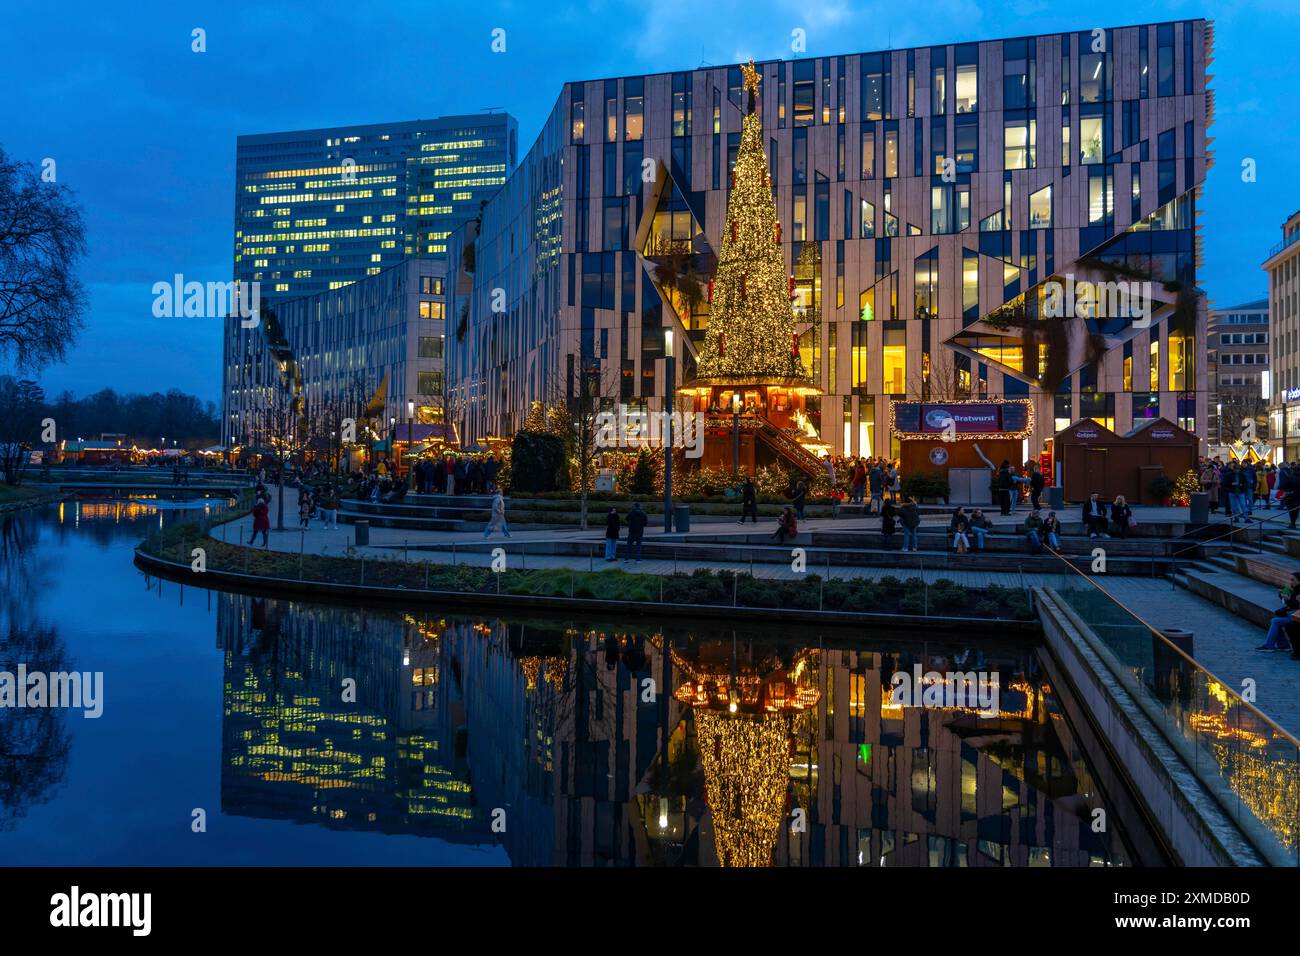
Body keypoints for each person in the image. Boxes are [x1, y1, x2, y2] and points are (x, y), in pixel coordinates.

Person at [1256, 571, 1300, 651]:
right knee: (1276, 620)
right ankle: (1283, 645)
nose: (1291, 582)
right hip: (1293, 615)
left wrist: (1288, 599)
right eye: (1290, 579)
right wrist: (1282, 595)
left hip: (1297, 617)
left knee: (1275, 621)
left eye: (1293, 580)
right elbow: (1291, 603)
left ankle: (1269, 646)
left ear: (1299, 581)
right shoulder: (1295, 589)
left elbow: (1297, 605)